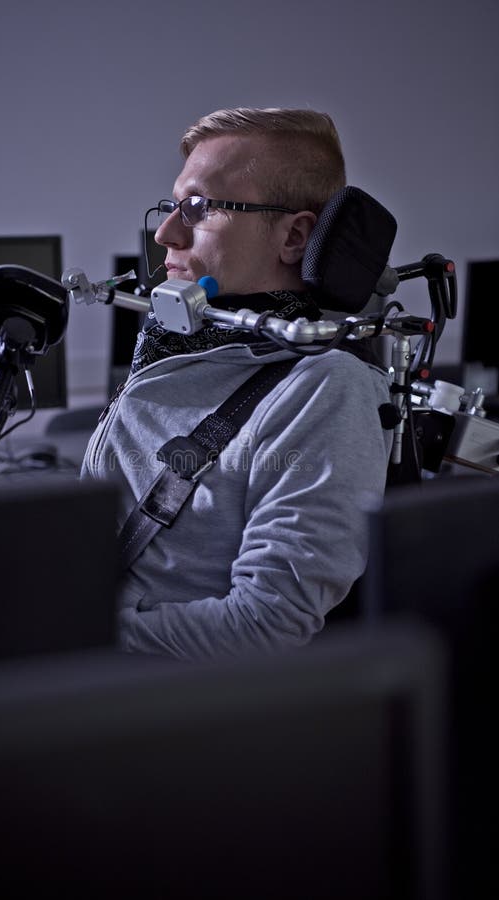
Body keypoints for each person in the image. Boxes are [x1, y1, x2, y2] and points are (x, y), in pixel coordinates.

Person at [82, 107, 393, 659]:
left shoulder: (324, 388)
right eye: (173, 205)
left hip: (155, 703)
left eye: (199, 208)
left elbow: (267, 623)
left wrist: (73, 635)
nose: (165, 232)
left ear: (295, 235)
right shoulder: (184, 351)